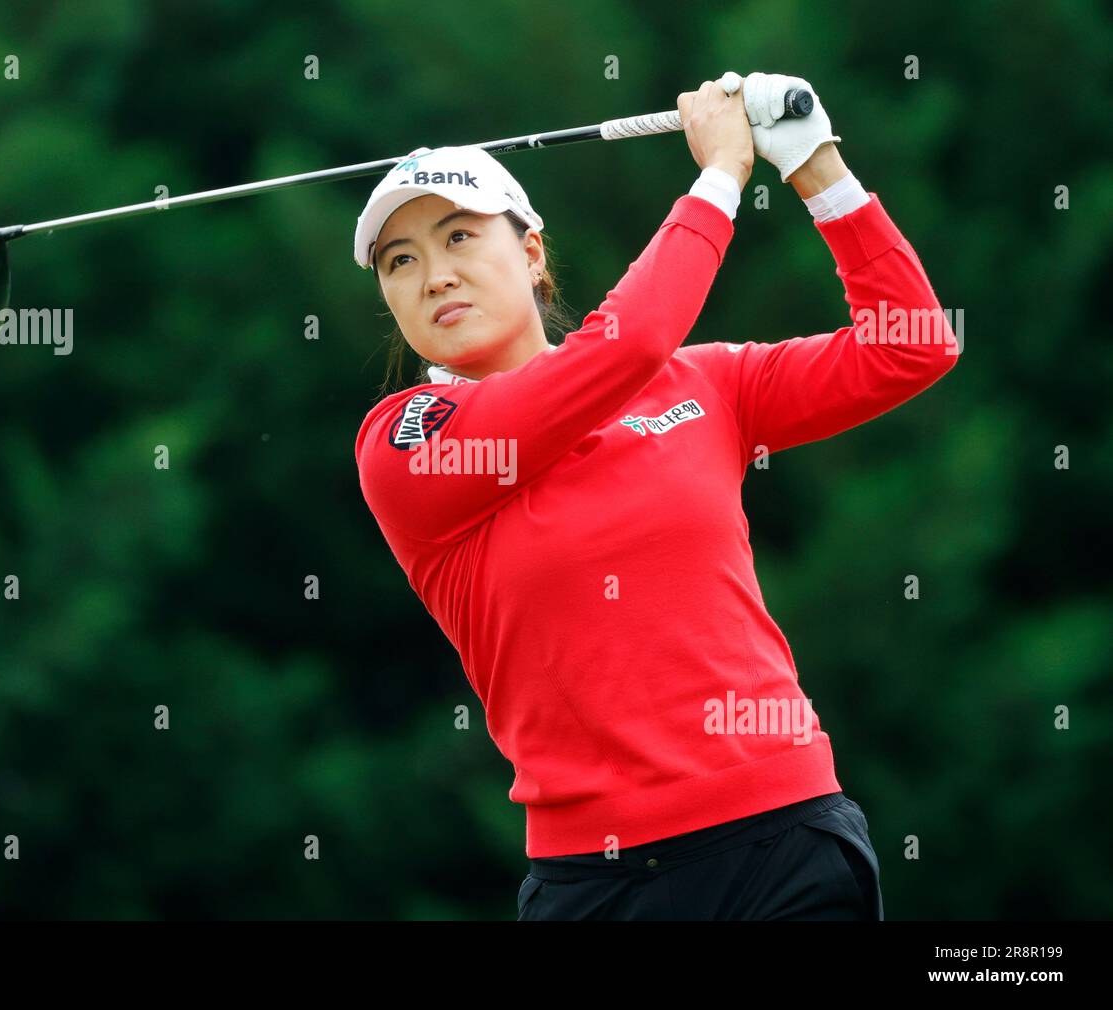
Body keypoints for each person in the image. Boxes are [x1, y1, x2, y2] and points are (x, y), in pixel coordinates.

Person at [350, 72, 959, 920]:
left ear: (531, 254)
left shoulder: (703, 385)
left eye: (458, 237)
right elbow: (624, 344)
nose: (434, 275)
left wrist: (813, 162)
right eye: (400, 260)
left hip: (789, 834)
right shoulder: (408, 440)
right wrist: (717, 178)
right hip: (602, 884)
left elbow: (914, 346)